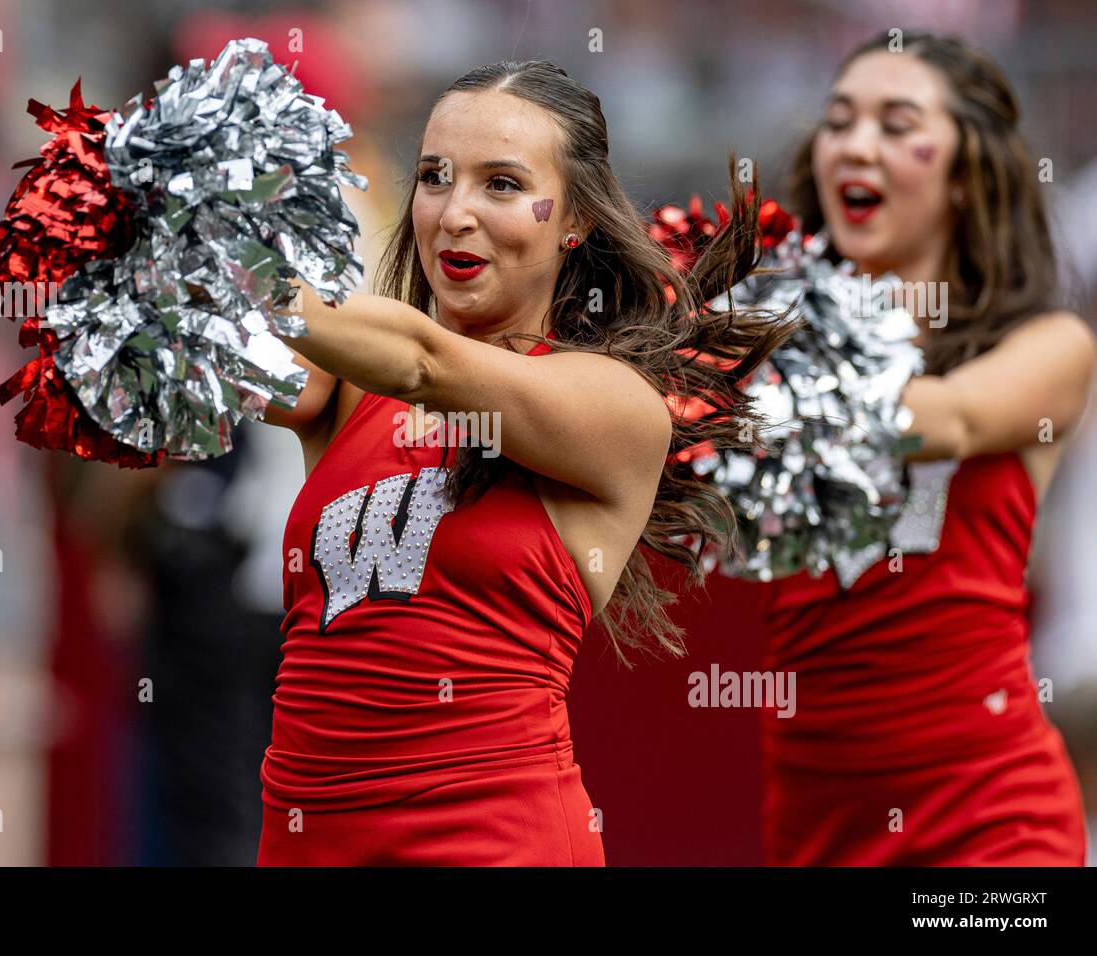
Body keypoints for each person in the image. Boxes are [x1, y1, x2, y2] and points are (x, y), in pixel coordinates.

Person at [254, 59, 789, 865]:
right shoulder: (345, 390)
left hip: (493, 845)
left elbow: (426, 364)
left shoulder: (613, 404)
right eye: (435, 176)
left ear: (572, 218)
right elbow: (171, 376)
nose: (455, 212)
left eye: (501, 184)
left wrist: (222, 273)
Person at [760, 30, 1095, 865]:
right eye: (839, 121)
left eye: (894, 121)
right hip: (813, 814)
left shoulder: (1049, 345)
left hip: (990, 819)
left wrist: (746, 362)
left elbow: (943, 421)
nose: (856, 144)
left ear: (965, 175)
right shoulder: (766, 335)